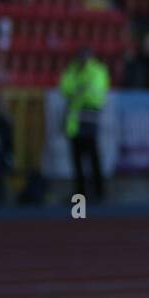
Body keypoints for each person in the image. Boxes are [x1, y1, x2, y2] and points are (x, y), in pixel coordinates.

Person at [59, 47, 109, 202]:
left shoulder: (97, 71)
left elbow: (95, 95)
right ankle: (80, 194)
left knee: (92, 158)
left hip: (88, 121)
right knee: (77, 161)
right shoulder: (72, 70)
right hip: (74, 123)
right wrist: (80, 90)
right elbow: (64, 88)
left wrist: (78, 91)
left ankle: (99, 193)